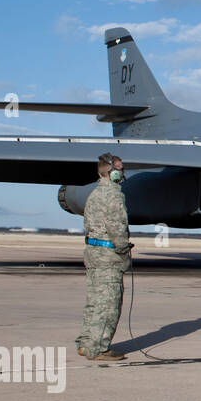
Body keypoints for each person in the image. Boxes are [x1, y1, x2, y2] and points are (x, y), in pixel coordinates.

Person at [76, 154, 132, 362]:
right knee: (108, 305)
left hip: (93, 253)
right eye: (120, 168)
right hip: (108, 256)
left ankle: (86, 344)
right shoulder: (114, 195)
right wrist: (123, 251)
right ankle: (98, 348)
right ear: (112, 172)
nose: (122, 172)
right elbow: (117, 228)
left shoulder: (94, 194)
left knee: (94, 302)